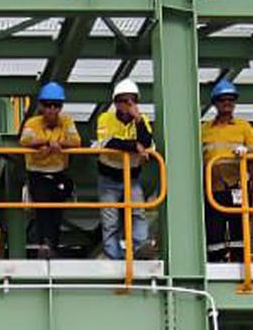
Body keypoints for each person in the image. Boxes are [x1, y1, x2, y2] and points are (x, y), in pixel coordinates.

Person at [95, 79, 157, 260]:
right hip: (108, 177)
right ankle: (114, 256)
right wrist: (134, 146)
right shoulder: (105, 118)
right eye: (124, 101)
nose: (129, 105)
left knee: (138, 212)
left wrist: (138, 119)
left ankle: (140, 250)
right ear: (116, 103)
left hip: (132, 177)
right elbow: (110, 142)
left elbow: (146, 142)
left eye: (132, 101)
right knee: (110, 220)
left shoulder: (141, 120)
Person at [19, 82, 81, 259]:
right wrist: (45, 144)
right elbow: (25, 141)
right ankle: (44, 244)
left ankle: (51, 246)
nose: (52, 110)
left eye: (56, 105)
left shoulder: (66, 122)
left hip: (58, 174)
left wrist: (59, 144)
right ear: (41, 106)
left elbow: (76, 141)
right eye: (48, 105)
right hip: (37, 174)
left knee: (56, 211)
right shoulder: (33, 123)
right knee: (43, 209)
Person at [201, 79, 253, 263]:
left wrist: (246, 151)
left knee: (238, 227)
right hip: (212, 188)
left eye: (230, 100)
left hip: (236, 185)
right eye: (222, 100)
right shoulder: (204, 129)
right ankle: (215, 261)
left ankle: (240, 262)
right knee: (214, 228)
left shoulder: (243, 127)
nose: (227, 103)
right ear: (215, 103)